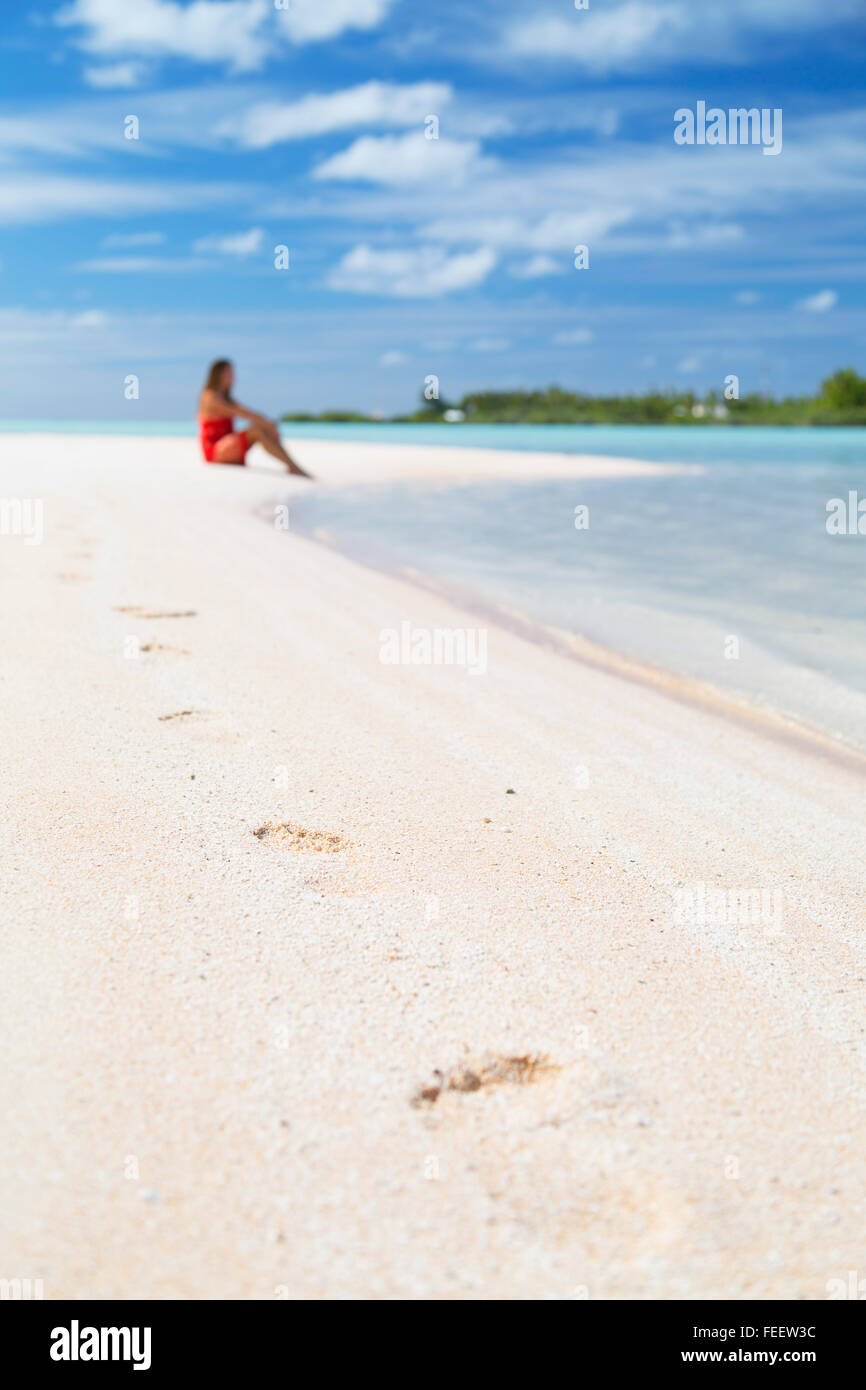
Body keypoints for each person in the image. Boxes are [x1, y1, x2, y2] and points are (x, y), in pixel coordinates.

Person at [197, 359, 311, 476]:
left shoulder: (227, 398)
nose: (233, 377)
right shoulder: (210, 397)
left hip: (228, 445)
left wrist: (268, 425)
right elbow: (243, 414)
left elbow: (246, 411)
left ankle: (293, 466)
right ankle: (293, 467)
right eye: (229, 373)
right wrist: (267, 423)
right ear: (218, 375)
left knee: (261, 428)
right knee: (257, 430)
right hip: (215, 451)